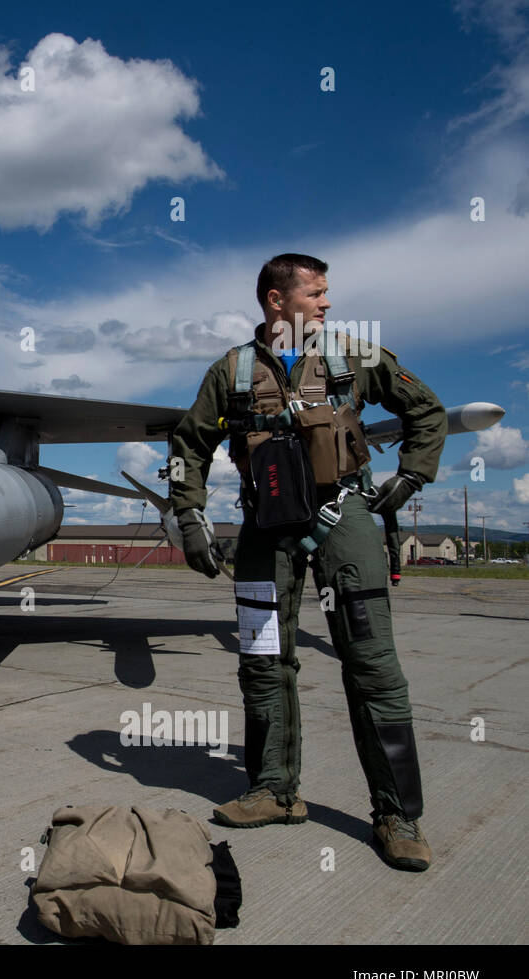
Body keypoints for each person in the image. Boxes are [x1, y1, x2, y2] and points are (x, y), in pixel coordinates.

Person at [169, 254, 446, 871]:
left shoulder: (355, 358)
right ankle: (274, 790)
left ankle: (398, 815)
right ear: (276, 300)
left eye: (326, 294)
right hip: (266, 531)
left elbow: (425, 412)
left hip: (343, 521)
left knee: (374, 668)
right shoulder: (232, 372)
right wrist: (187, 515)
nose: (325, 303)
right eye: (315, 293)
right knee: (263, 664)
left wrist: (409, 478)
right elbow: (189, 443)